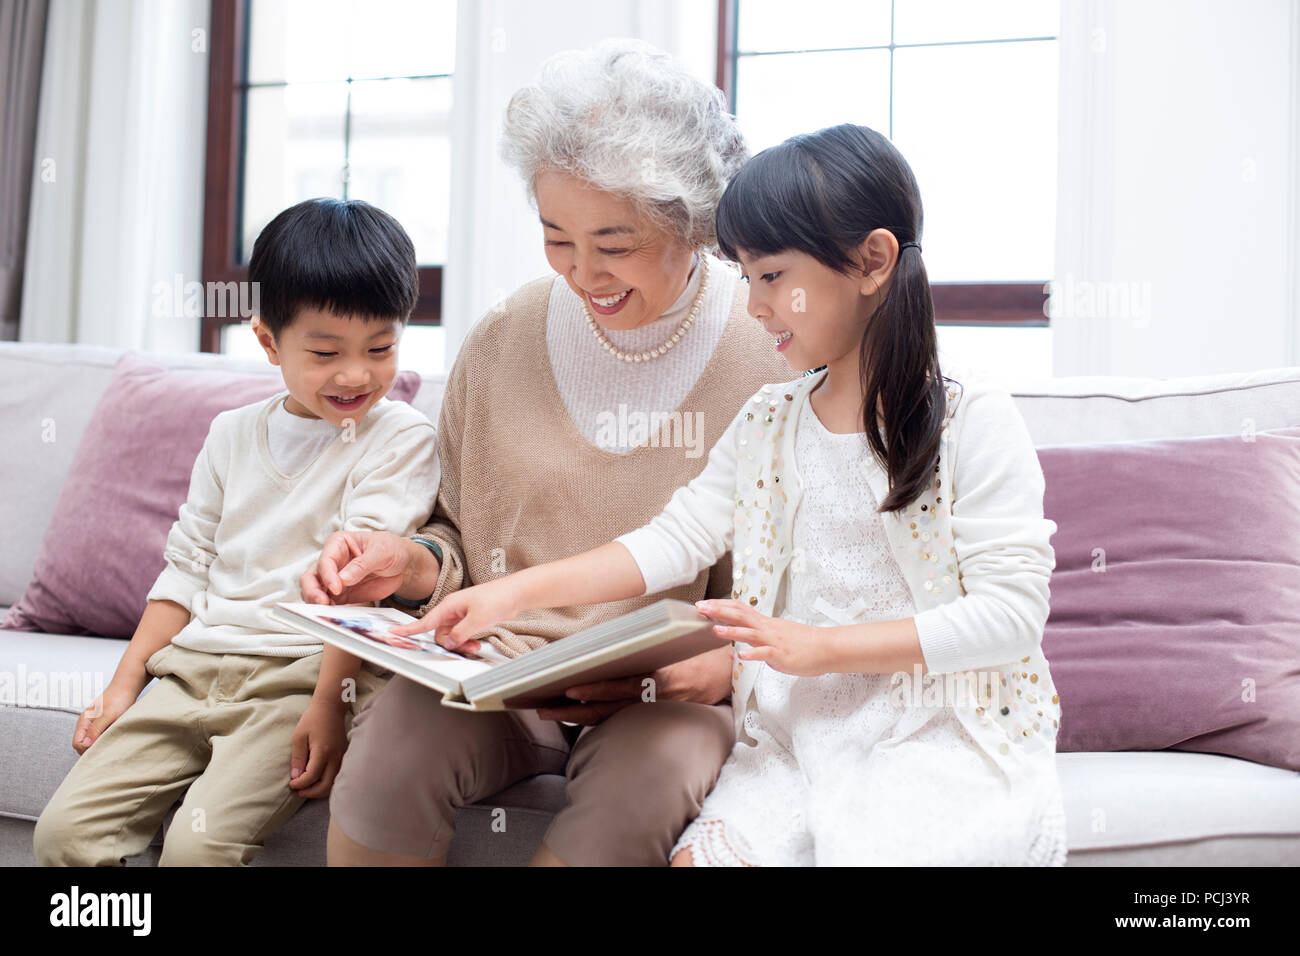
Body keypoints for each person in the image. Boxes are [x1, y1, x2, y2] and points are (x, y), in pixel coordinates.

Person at [398, 124, 1069, 867]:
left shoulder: (973, 420)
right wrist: (510, 596)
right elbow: (675, 539)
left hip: (934, 736)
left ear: (873, 260)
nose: (754, 305)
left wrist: (819, 649)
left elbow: (1009, 617)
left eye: (774, 277)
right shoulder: (771, 419)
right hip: (791, 741)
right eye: (744, 277)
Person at [310, 40, 793, 867]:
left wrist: (723, 669)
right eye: (556, 237)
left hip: (667, 697)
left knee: (638, 792)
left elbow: (815, 585)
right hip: (500, 671)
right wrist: (409, 564)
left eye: (615, 242)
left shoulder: (771, 353)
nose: (584, 273)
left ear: (696, 221)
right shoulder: (503, 338)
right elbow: (456, 538)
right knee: (388, 755)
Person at [33, 198, 440, 866]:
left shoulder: (400, 436)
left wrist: (328, 706)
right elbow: (187, 567)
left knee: (197, 849)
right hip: (191, 673)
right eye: (325, 351)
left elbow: (359, 589)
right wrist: (124, 683)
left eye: (381, 347)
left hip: (296, 679)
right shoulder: (231, 435)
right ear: (268, 342)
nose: (356, 374)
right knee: (64, 837)